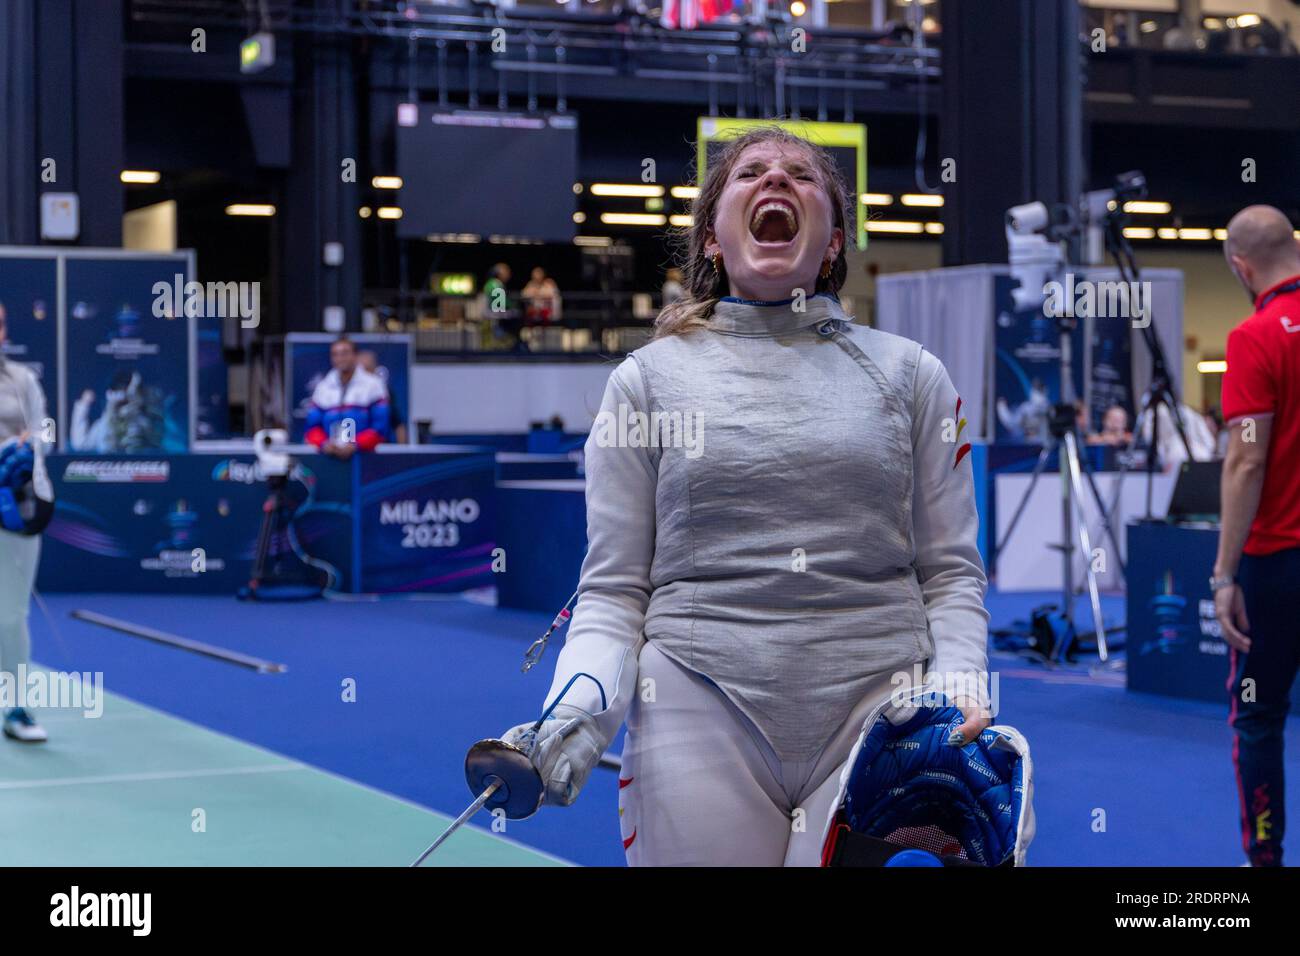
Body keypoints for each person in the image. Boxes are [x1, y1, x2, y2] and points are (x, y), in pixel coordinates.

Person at [497, 126, 990, 866]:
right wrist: (577, 712)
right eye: (751, 173)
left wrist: (957, 685)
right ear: (714, 241)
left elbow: (950, 571)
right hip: (698, 702)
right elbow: (614, 588)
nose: (777, 181)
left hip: (877, 713)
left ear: (832, 244)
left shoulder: (912, 375)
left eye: (801, 176)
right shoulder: (647, 380)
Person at [1213, 204, 1300, 867]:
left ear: (1241, 268)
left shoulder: (1256, 336)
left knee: (1260, 713)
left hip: (1279, 564)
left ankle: (1265, 859)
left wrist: (1223, 573)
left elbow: (1246, 460)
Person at [0, 305, 52, 743]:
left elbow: (44, 432)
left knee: (11, 615)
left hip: (15, 511)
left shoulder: (23, 380)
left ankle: (15, 707)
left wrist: (25, 452)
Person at [304, 337, 390, 460]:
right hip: (330, 457)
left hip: (365, 459)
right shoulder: (323, 387)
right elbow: (312, 428)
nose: (340, 358)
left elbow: (380, 428)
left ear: (355, 356)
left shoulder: (374, 385)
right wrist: (324, 444)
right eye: (335, 354)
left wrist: (355, 445)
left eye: (344, 353)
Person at [358, 350, 407, 444]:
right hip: (351, 450)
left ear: (374, 369)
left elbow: (398, 424)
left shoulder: (384, 392)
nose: (365, 375)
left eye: (368, 370)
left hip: (379, 450)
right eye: (361, 370)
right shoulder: (343, 393)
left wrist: (403, 453)